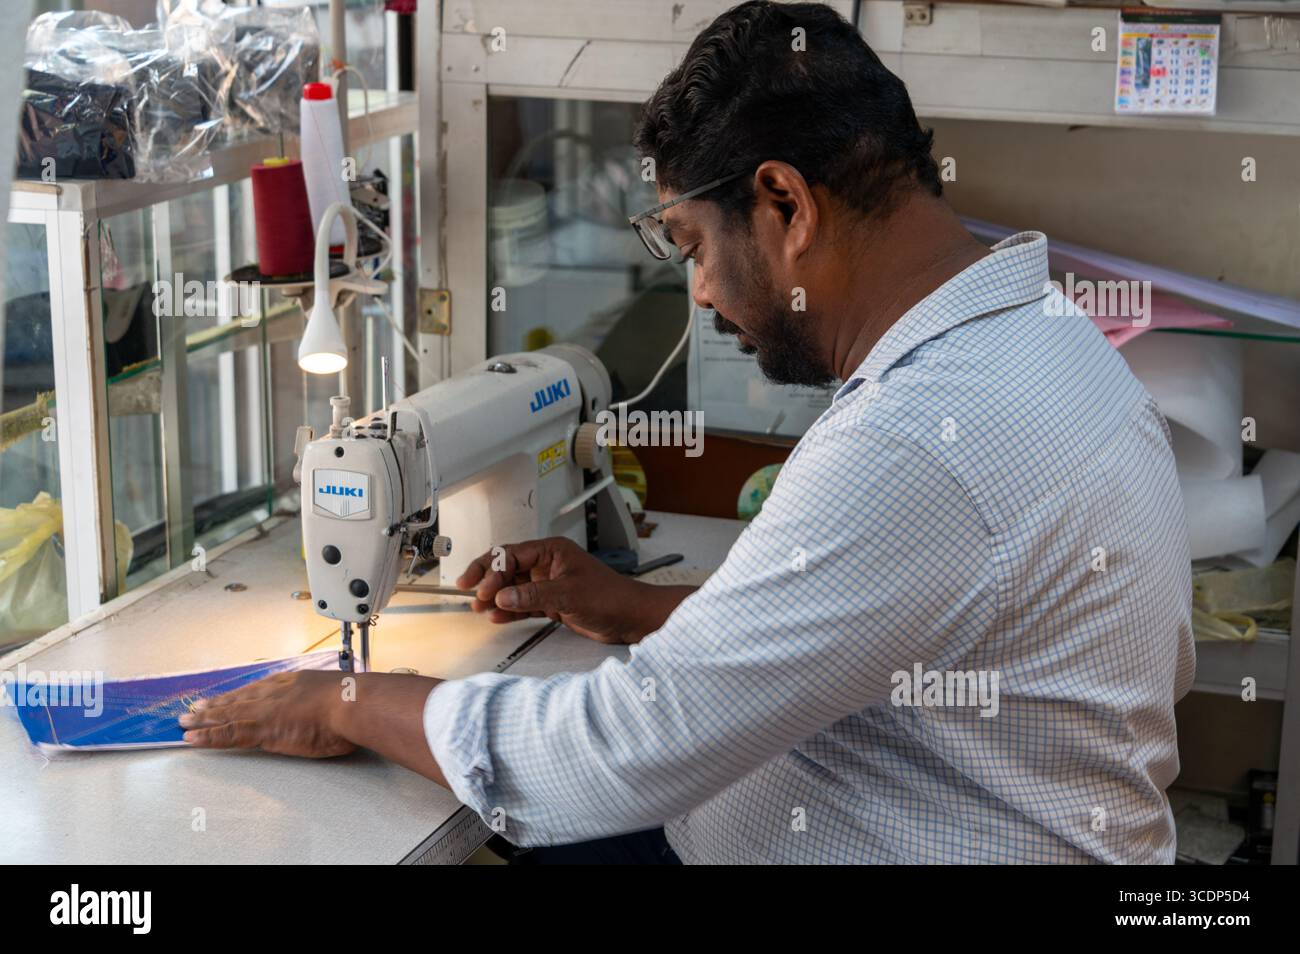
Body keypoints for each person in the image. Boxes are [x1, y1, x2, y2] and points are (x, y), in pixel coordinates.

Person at [182, 1, 1195, 864]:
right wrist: (642, 609)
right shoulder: (1047, 337)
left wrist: (348, 701)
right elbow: (888, 609)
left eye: (694, 245)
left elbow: (617, 747)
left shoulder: (916, 439)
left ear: (784, 203)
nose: (702, 294)